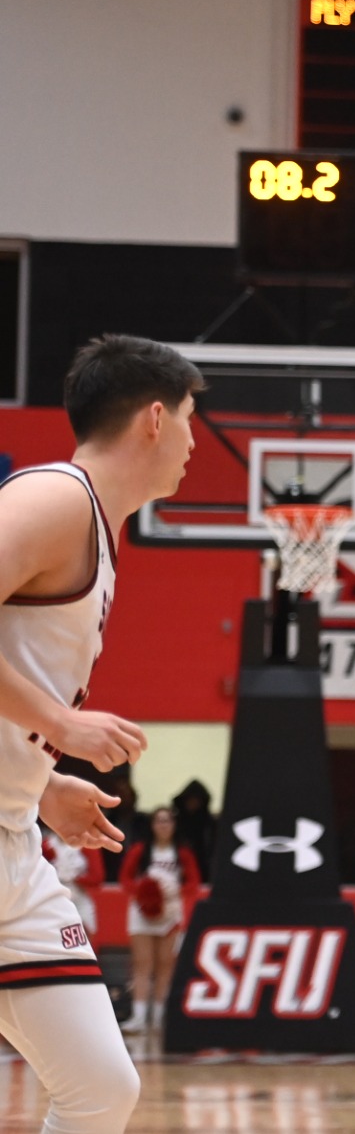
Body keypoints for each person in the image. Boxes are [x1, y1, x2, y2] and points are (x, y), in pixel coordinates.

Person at [0, 334, 201, 1132]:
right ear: (155, 417)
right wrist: (59, 723)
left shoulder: (97, 531)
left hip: (14, 843)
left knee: (101, 1089)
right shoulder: (53, 498)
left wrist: (41, 784)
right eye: (189, 417)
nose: (193, 439)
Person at [119, 806, 199, 1034]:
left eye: (168, 821)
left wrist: (174, 892)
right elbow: (125, 879)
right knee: (142, 964)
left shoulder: (183, 852)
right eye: (159, 821)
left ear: (174, 825)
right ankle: (139, 1017)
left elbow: (193, 883)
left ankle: (160, 1017)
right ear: (152, 825)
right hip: (142, 912)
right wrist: (144, 890)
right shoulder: (140, 850)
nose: (163, 825)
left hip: (170, 911)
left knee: (166, 964)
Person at [170, 779, 216, 883]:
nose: (193, 803)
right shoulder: (175, 822)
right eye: (190, 799)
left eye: (196, 800)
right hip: (177, 867)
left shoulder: (210, 824)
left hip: (203, 868)